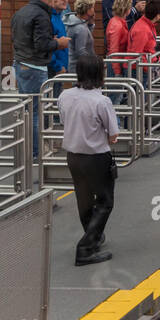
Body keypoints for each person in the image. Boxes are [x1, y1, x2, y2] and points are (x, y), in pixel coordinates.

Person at [58, 54, 119, 266]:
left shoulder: (65, 96)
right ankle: (85, 247)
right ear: (99, 73)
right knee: (104, 202)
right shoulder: (102, 101)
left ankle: (93, 236)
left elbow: (64, 120)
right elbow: (113, 134)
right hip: (97, 157)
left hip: (73, 156)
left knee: (84, 201)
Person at [11, 0, 71, 158]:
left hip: (21, 63)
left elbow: (22, 39)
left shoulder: (20, 12)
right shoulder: (42, 15)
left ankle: (30, 148)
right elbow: (41, 45)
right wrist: (59, 43)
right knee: (36, 113)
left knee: (27, 110)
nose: (55, 4)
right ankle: (37, 152)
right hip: (35, 67)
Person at [64, 0, 96, 74]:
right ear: (87, 10)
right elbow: (81, 51)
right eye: (92, 8)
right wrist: (94, 63)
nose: (94, 10)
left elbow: (85, 37)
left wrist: (91, 24)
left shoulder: (74, 22)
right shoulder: (80, 28)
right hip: (81, 68)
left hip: (74, 64)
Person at [45, 0, 70, 78]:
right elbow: (47, 47)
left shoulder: (58, 17)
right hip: (52, 70)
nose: (66, 1)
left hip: (59, 68)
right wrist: (58, 67)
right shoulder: (49, 18)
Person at [105, 0, 132, 75]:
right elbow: (114, 50)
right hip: (116, 63)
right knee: (116, 86)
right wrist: (117, 71)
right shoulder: (117, 25)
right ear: (127, 9)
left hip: (117, 61)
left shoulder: (116, 21)